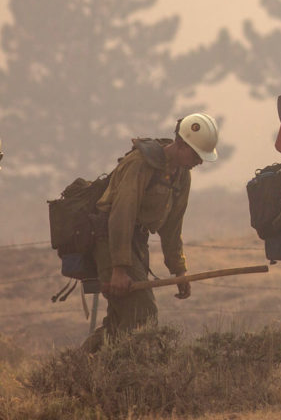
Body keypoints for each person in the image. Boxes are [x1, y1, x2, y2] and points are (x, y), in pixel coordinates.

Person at [83, 112, 219, 351]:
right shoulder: (140, 164)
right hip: (110, 241)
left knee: (119, 323)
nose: (199, 162)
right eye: (197, 155)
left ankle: (78, 366)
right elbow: (121, 215)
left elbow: (173, 227)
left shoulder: (182, 175)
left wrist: (179, 271)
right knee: (142, 316)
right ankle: (114, 369)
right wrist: (119, 269)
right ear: (180, 144)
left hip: (136, 244)